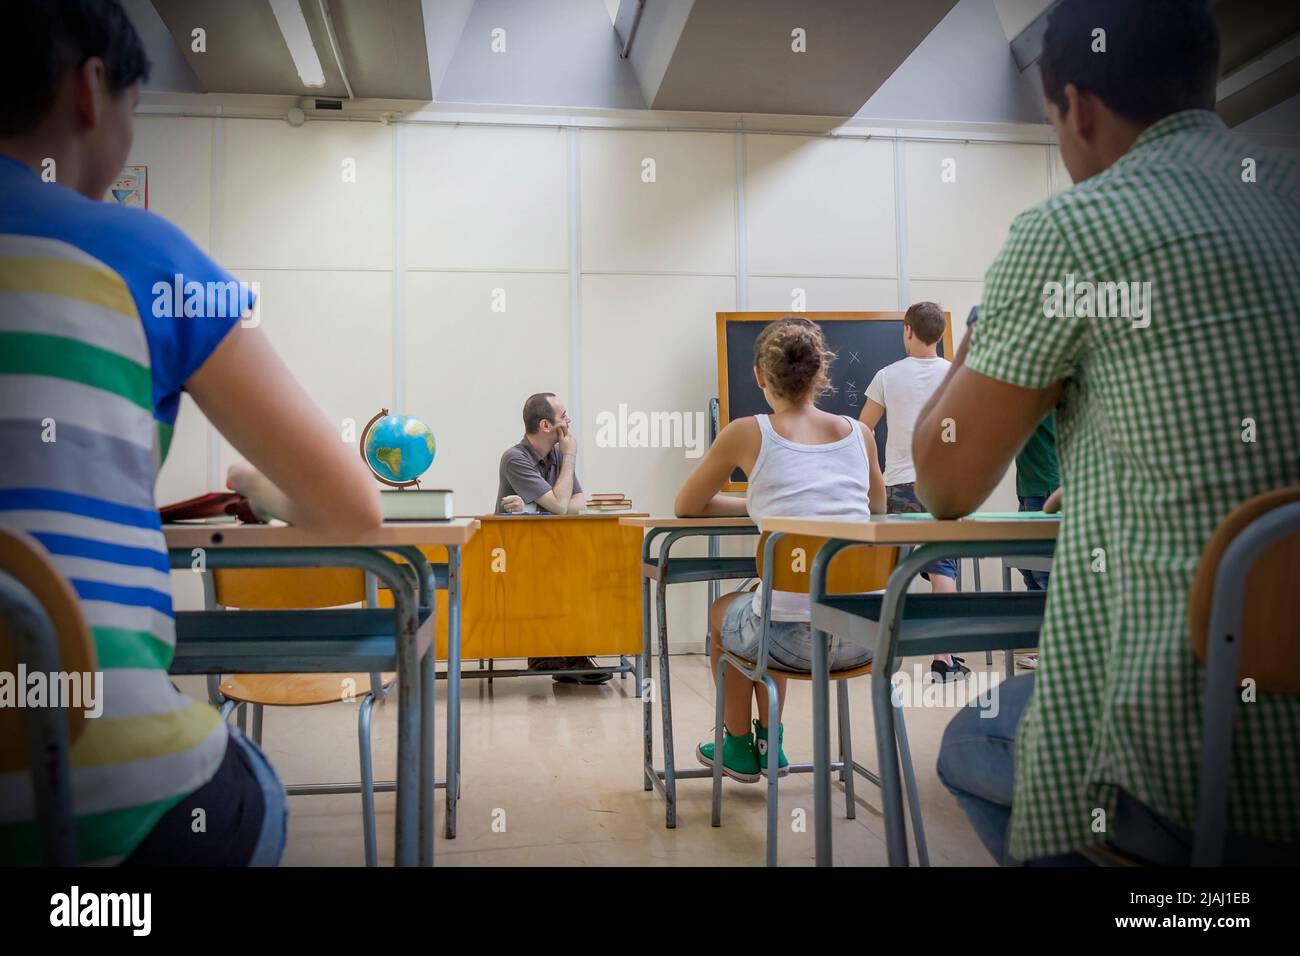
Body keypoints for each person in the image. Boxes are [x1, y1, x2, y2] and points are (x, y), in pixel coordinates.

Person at [913, 0, 1300, 864]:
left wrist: (974, 348)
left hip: (1186, 765)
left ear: (1076, 108)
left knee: (970, 739)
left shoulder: (1071, 232)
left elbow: (944, 485)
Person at [0, 0, 382, 865]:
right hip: (106, 803)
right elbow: (354, 513)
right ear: (90, 90)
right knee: (249, 785)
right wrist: (254, 487)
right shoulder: (147, 258)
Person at [675, 317, 886, 781]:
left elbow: (687, 505)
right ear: (820, 375)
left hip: (788, 642)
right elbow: (876, 506)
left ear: (759, 376)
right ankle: (773, 742)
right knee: (776, 596)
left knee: (736, 612)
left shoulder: (746, 432)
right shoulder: (860, 434)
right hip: (863, 638)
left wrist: (759, 503)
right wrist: (769, 505)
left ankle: (736, 745)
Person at [860, 301, 967, 682]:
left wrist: (874, 470)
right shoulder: (957, 373)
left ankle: (883, 646)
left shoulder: (888, 375)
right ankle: (943, 658)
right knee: (943, 566)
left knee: (891, 566)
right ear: (938, 334)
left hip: (899, 482)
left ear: (908, 330)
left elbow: (864, 429)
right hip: (945, 483)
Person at [495, 392, 610, 685]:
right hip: (514, 555)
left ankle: (570, 655)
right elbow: (561, 505)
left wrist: (533, 507)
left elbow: (578, 501)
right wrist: (571, 456)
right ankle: (560, 656)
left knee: (589, 565)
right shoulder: (515, 458)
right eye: (564, 416)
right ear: (546, 426)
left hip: (549, 548)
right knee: (566, 572)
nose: (569, 421)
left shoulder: (555, 455)